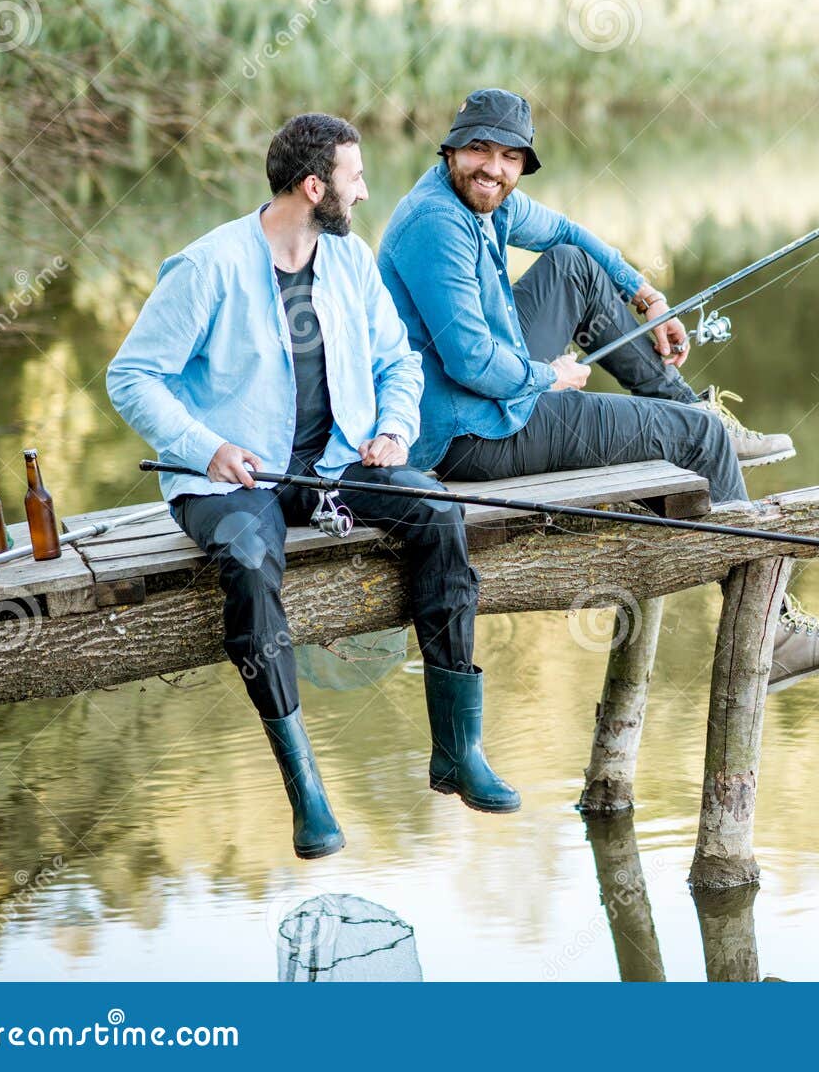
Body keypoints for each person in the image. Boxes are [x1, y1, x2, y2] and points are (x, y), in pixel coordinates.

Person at [107, 113, 517, 861]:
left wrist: (393, 427)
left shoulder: (349, 260)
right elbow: (132, 378)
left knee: (436, 513)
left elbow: (400, 362)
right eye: (354, 178)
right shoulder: (208, 268)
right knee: (250, 562)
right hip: (230, 478)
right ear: (313, 186)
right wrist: (206, 447)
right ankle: (307, 789)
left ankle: (458, 750)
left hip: (335, 461)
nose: (363, 192)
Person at [378, 89, 819, 690]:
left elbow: (566, 231)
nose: (494, 167)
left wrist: (645, 295)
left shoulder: (484, 205)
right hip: (469, 431)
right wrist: (552, 377)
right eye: (479, 150)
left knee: (576, 266)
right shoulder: (438, 224)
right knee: (696, 441)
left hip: (493, 394)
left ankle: (697, 413)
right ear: (452, 149)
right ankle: (770, 636)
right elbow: (469, 362)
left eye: (510, 157)